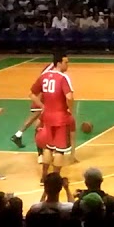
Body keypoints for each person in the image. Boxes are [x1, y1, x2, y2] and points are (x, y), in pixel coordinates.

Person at [32, 52, 74, 180]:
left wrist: (43, 106)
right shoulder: (63, 77)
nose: (67, 65)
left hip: (47, 117)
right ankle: (55, 179)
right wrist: (69, 109)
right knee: (60, 150)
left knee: (48, 147)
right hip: (61, 117)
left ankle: (44, 176)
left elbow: (32, 94)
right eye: (66, 62)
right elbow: (69, 97)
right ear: (58, 63)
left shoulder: (44, 76)